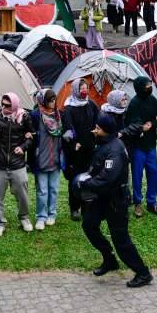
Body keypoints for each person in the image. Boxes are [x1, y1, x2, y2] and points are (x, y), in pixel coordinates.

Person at [75, 113, 153, 287]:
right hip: (101, 197)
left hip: (116, 200)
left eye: (98, 128)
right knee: (89, 225)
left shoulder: (115, 149)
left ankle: (143, 273)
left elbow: (108, 177)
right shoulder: (103, 142)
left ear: (106, 130)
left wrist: (87, 184)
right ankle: (109, 260)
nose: (94, 130)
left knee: (121, 239)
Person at [0, 92, 34, 236]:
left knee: (22, 194)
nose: (3, 107)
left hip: (17, 164)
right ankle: (0, 223)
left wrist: (24, 147)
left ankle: (24, 218)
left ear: (14, 105)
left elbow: (31, 136)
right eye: (2, 104)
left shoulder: (24, 117)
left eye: (7, 105)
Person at [124, 76, 157, 217]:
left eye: (150, 84)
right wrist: (141, 127)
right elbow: (131, 123)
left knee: (153, 173)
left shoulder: (153, 99)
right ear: (140, 87)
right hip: (138, 146)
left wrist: (152, 123)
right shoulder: (134, 103)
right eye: (146, 85)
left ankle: (152, 203)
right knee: (137, 175)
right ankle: (138, 203)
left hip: (151, 144)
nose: (149, 87)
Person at [62, 78, 100, 221]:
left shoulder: (92, 104)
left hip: (91, 149)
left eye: (86, 88)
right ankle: (74, 208)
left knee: (89, 178)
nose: (84, 90)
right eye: (82, 88)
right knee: (75, 179)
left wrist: (98, 134)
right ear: (76, 89)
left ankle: (87, 206)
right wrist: (74, 143)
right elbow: (67, 130)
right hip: (75, 152)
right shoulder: (69, 108)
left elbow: (98, 121)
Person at [30, 88, 64, 231]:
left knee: (54, 189)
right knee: (42, 190)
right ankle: (41, 217)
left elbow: (66, 131)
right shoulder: (36, 115)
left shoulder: (58, 115)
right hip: (41, 158)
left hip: (55, 158)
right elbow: (29, 133)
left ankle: (52, 214)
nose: (53, 103)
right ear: (42, 100)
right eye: (50, 100)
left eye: (54, 100)